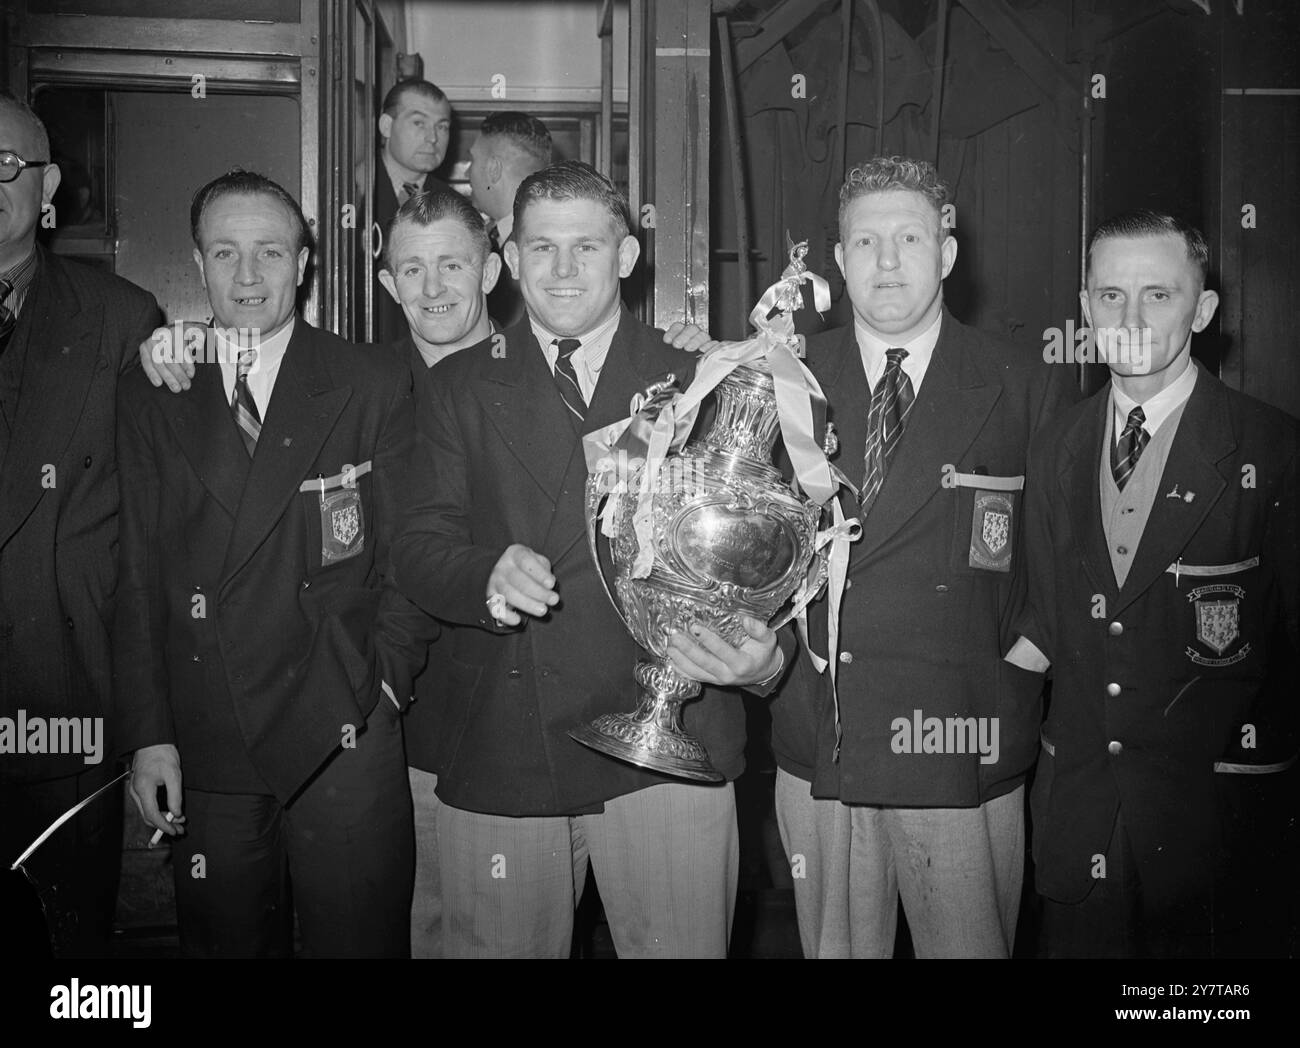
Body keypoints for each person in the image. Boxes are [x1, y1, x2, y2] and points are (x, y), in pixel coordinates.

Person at [392, 160, 787, 958]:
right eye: (541, 249)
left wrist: (765, 657)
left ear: (628, 256)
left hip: (674, 741)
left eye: (586, 248)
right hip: (509, 744)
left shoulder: (705, 379)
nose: (563, 270)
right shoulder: (458, 387)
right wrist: (485, 577)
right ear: (510, 255)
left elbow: (767, 550)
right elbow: (415, 546)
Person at [114, 170, 434, 958]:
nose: (248, 276)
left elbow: (410, 552)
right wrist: (150, 737)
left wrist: (384, 681)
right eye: (226, 252)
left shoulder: (371, 379)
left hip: (343, 723)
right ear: (197, 262)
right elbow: (137, 575)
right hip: (208, 734)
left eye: (269, 252)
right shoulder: (156, 388)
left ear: (305, 262)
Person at [770, 155, 1078, 958]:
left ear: (946, 254)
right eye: (864, 241)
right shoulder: (784, 379)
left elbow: (1067, 556)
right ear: (837, 261)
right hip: (825, 735)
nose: (886, 260)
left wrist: (1023, 660)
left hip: (961, 732)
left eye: (909, 236)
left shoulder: (1024, 383)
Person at [1006, 210, 1299, 957]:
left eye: (1159, 296)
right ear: (1085, 309)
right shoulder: (1056, 446)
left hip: (1217, 838)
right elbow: (1043, 625)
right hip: (1081, 827)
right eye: (1110, 296)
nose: (1130, 317)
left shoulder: (1273, 450)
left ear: (1202, 311)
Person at [0, 90, 161, 956]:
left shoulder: (121, 319)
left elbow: (146, 541)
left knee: (72, 955)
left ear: (48, 182)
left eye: (6, 163)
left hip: (65, 710)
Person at [371, 79, 453, 344]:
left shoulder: (452, 204)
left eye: (442, 127)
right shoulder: (353, 191)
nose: (432, 138)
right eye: (419, 123)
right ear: (386, 126)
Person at [466, 111, 553, 326]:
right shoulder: (488, 236)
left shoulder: (535, 247)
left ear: (493, 169)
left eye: (472, 160)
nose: (468, 172)